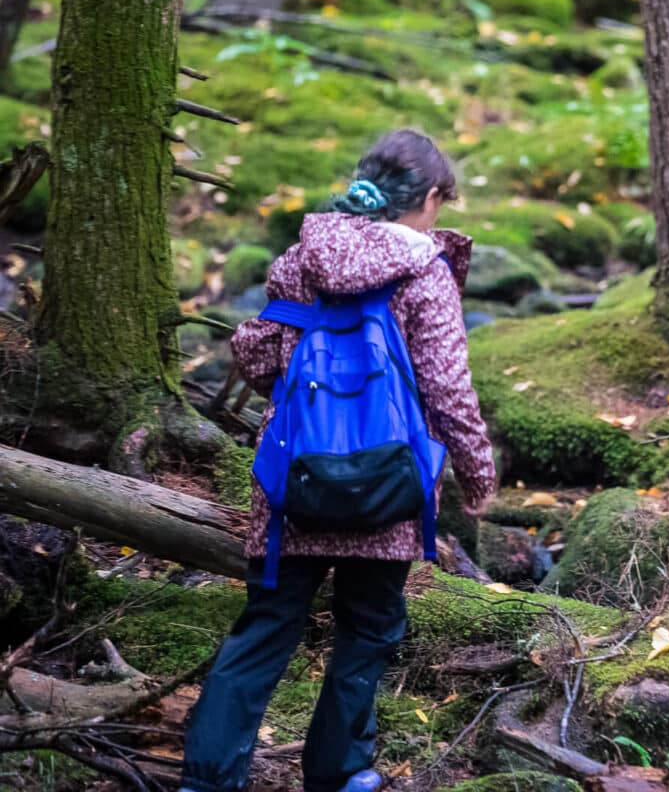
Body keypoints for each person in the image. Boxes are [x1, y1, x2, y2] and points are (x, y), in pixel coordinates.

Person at [178, 130, 499, 792]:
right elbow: (447, 389)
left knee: (265, 628)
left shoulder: (305, 257)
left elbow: (259, 351)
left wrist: (315, 408)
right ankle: (339, 772)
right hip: (386, 490)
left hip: (295, 479)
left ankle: (207, 781)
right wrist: (477, 474)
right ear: (431, 197)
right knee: (370, 627)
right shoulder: (423, 270)